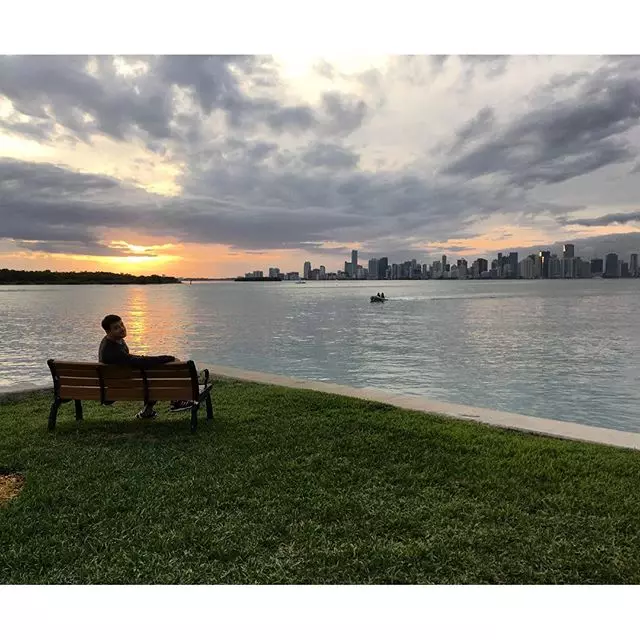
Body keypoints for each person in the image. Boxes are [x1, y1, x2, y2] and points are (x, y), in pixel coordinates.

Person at [98, 314, 194, 419]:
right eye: (116, 328)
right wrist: (169, 358)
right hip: (119, 387)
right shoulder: (112, 351)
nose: (122, 328)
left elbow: (131, 359)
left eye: (122, 324)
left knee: (149, 373)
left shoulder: (112, 341)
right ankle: (177, 400)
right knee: (153, 374)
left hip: (116, 383)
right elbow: (135, 360)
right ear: (108, 332)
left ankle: (149, 411)